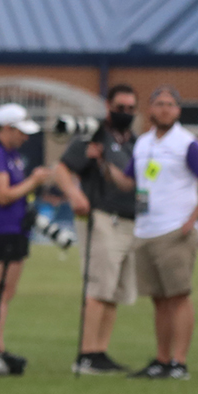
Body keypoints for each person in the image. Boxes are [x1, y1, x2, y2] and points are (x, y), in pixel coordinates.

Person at [117, 85, 198, 380]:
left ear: (178, 110)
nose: (164, 109)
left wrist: (193, 218)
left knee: (178, 296)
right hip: (146, 229)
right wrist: (99, 162)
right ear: (150, 109)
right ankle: (162, 359)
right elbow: (129, 182)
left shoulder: (186, 143)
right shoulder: (142, 144)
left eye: (171, 104)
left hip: (174, 231)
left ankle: (180, 362)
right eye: (159, 104)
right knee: (158, 299)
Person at [55, 83, 139, 375]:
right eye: (120, 108)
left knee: (114, 290)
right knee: (99, 286)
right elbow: (62, 168)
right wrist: (75, 195)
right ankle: (87, 353)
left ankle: (100, 350)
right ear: (108, 107)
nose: (125, 113)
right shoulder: (94, 135)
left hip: (131, 220)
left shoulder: (135, 143)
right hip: (103, 216)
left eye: (130, 109)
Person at [0, 103, 51, 364]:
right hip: (5, 230)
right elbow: (3, 195)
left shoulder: (12, 156)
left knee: (7, 291)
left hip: (17, 229)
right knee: (2, 291)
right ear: (6, 129)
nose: (25, 137)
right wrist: (33, 180)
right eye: (20, 131)